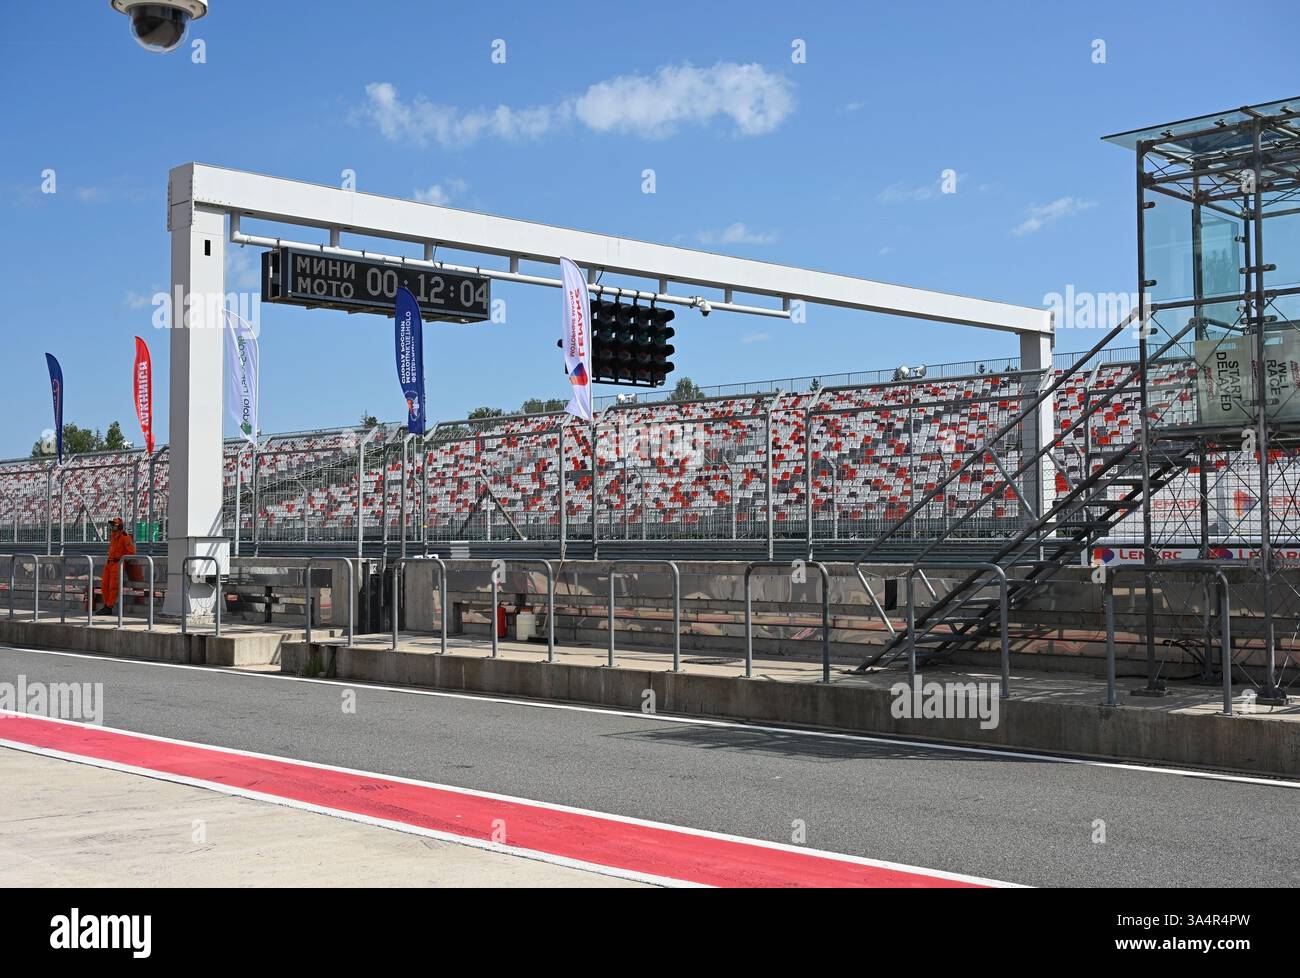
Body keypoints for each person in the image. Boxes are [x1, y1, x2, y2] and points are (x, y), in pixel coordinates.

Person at [96, 516, 136, 615]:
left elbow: (131, 553)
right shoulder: (113, 536)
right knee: (104, 585)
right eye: (112, 525)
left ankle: (109, 606)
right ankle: (106, 605)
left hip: (117, 564)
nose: (113, 526)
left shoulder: (125, 537)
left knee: (113, 586)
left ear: (120, 526)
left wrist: (122, 562)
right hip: (109, 563)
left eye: (115, 525)